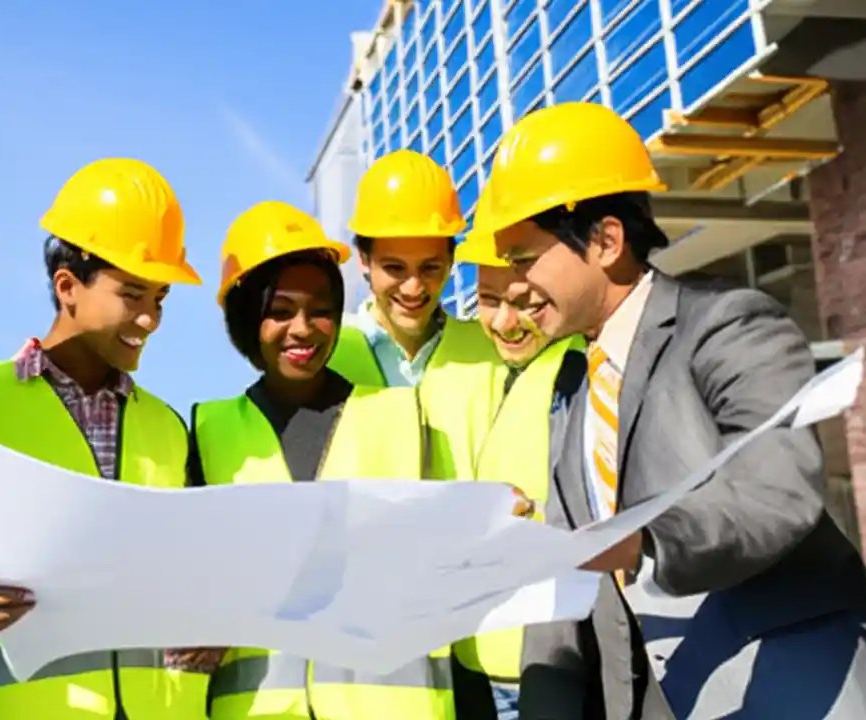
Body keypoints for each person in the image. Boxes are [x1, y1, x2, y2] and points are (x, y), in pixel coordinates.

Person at [491, 102, 866, 718]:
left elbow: (775, 492)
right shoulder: (572, 390)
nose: (516, 286)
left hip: (803, 690)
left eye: (523, 259)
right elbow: (566, 590)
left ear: (606, 241)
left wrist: (644, 541)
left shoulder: (728, 326)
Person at [0, 158, 210, 719]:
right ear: (67, 287)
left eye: (160, 301)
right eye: (134, 294)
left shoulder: (169, 428)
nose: (150, 320)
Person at [189, 200, 461, 720]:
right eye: (280, 310)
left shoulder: (404, 417)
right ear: (247, 318)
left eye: (320, 310)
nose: (304, 328)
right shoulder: (207, 432)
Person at [448, 202, 586, 720]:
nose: (504, 322)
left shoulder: (574, 366)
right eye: (487, 300)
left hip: (547, 667)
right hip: (477, 663)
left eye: (522, 302)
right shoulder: (482, 371)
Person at [326, 149, 503, 481]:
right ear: (364, 260)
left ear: (451, 260)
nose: (413, 288)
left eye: (431, 268)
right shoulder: (326, 355)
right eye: (394, 268)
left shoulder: (492, 353)